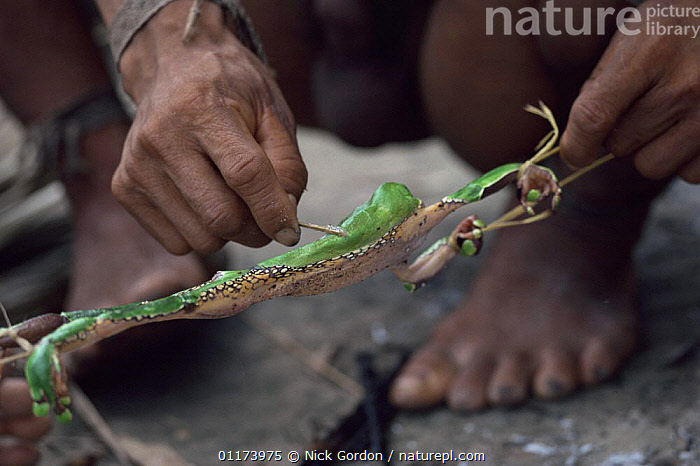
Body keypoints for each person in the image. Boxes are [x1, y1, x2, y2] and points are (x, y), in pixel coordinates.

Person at [1, 0, 697, 463]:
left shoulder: (411, 233)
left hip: (492, 33)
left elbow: (408, 263)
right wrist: (162, 29)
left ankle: (580, 216)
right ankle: (93, 178)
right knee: (171, 303)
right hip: (284, 41)